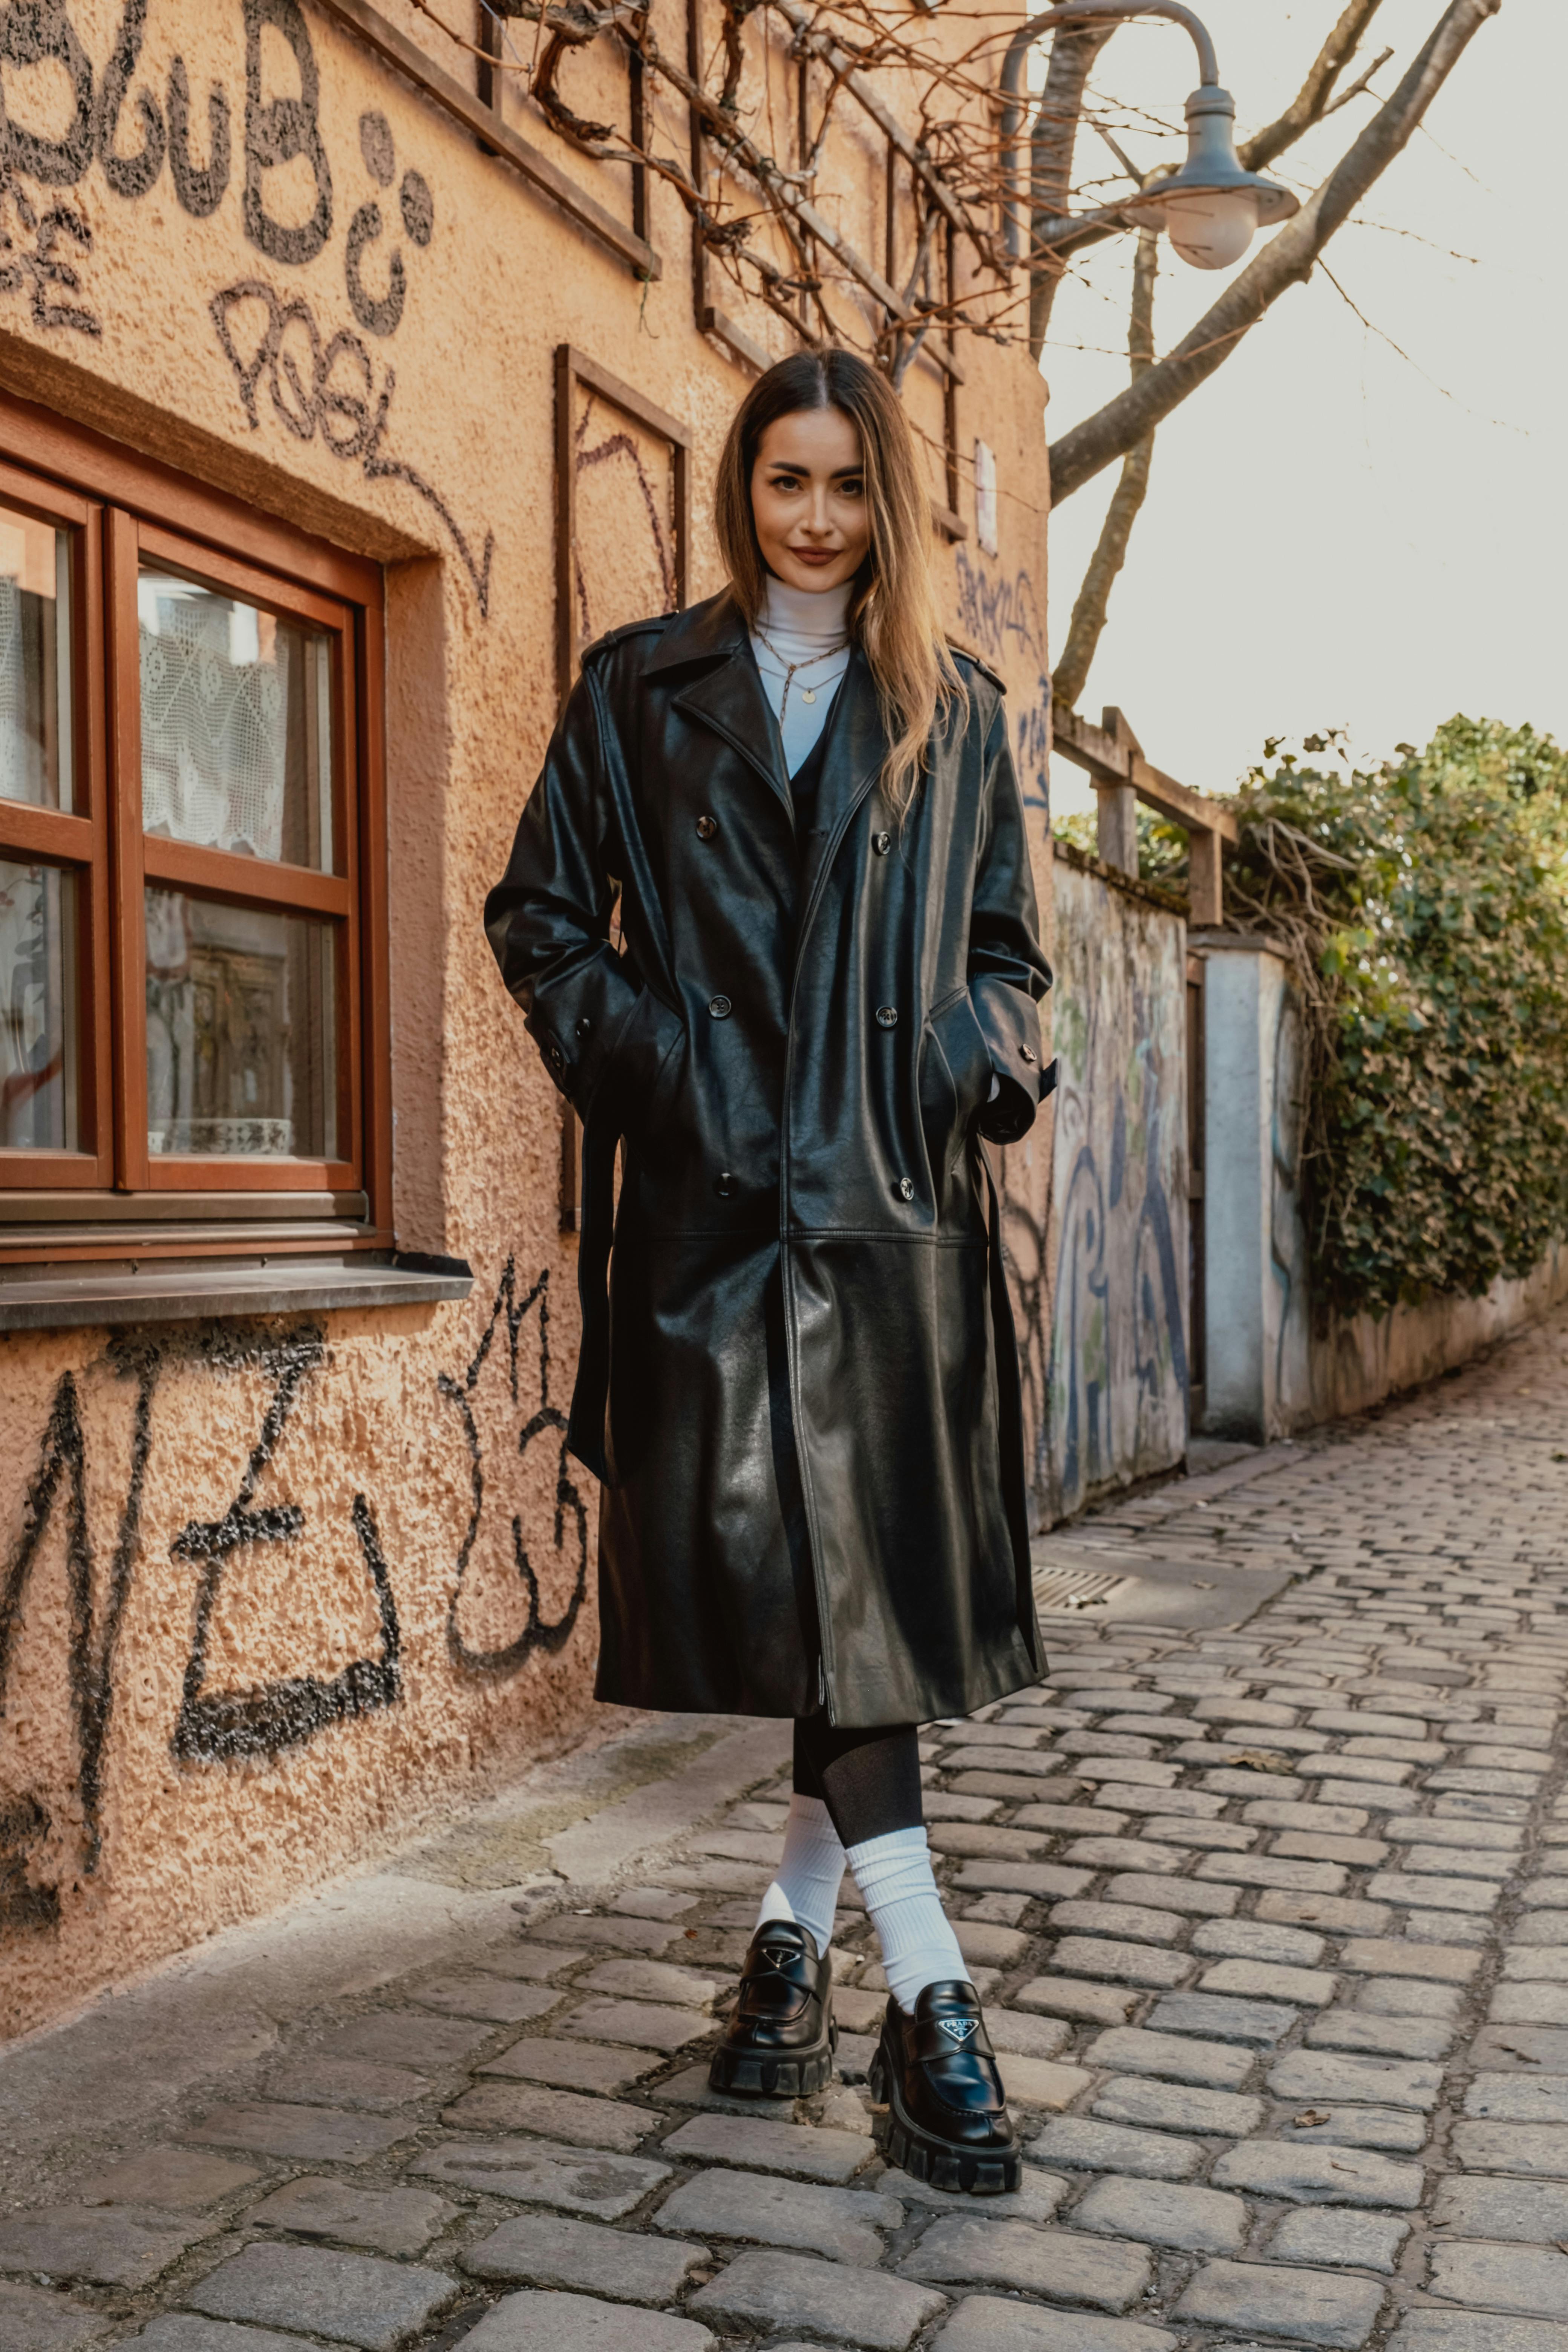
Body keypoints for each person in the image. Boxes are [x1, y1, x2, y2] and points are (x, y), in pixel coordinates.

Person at [485, 348, 1052, 2194]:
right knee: (828, 1598)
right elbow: (540, 915)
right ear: (742, 489)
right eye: (783, 479)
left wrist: (966, 1059)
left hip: (892, 1227)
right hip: (716, 1221)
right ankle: (928, 1988)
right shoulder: (640, 686)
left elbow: (1004, 956)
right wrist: (669, 1071)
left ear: (890, 499)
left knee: (845, 1602)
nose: (812, 517)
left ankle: (796, 1954)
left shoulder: (953, 711)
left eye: (845, 483)